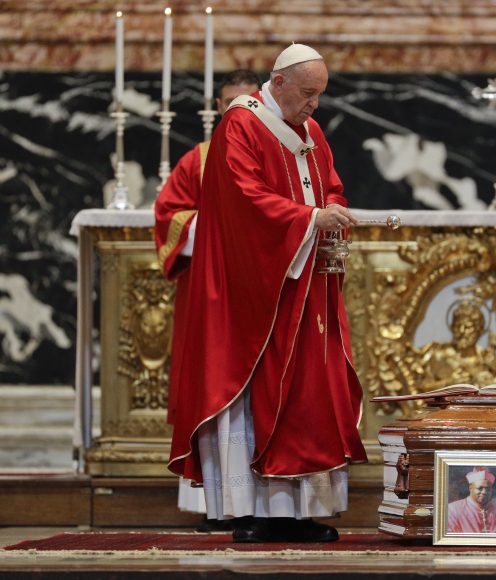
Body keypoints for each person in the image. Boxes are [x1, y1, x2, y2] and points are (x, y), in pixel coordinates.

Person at [166, 43, 367, 544]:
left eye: (319, 96)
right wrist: (308, 220)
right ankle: (252, 511)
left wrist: (334, 213)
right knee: (259, 396)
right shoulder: (241, 126)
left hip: (306, 290)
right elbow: (242, 201)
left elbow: (331, 187)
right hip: (257, 295)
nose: (313, 105)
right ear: (277, 83)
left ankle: (298, 513)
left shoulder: (313, 132)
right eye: (306, 94)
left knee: (308, 398)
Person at [154, 69, 262, 531]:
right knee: (214, 389)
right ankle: (215, 503)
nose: (237, 113)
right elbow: (169, 217)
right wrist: (220, 230)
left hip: (258, 294)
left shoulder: (269, 154)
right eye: (229, 104)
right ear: (219, 108)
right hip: (211, 298)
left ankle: (264, 503)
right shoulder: (197, 161)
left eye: (246, 104)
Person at [447, 467, 496, 533]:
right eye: (480, 488)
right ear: (470, 488)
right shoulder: (453, 510)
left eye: (488, 489)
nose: (484, 492)